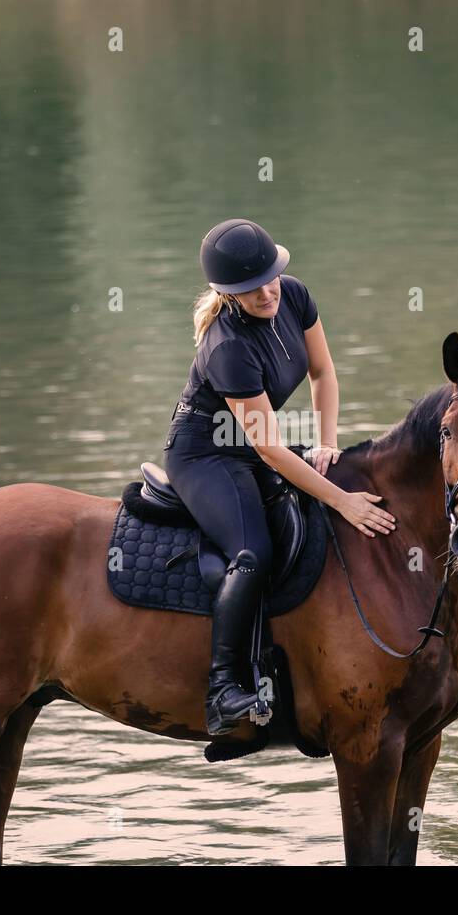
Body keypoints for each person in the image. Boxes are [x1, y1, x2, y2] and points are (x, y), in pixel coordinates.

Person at [163, 218, 397, 735]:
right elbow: (268, 449)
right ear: (228, 294)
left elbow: (323, 372)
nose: (267, 291)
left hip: (254, 443)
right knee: (253, 553)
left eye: (271, 276)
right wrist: (342, 501)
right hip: (206, 456)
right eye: (251, 287)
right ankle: (224, 688)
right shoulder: (228, 348)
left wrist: (328, 442)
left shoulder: (294, 295)